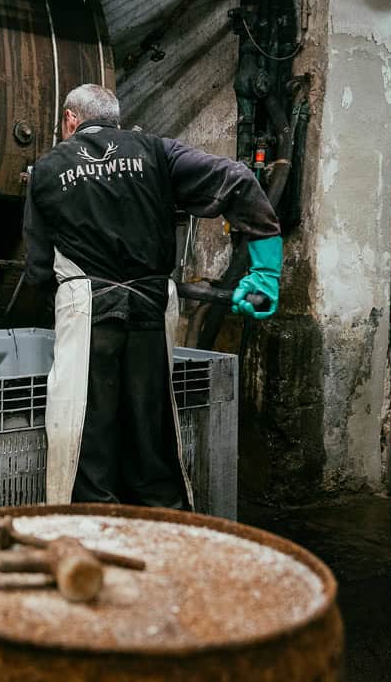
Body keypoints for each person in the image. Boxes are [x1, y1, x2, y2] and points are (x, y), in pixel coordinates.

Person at [23, 84, 282, 510]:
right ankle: (164, 530)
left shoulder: (47, 169)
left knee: (86, 427)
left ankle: (91, 530)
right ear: (116, 119)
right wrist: (265, 271)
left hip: (87, 305)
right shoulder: (155, 151)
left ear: (71, 119)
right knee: (151, 422)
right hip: (152, 303)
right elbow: (238, 179)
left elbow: (36, 267)